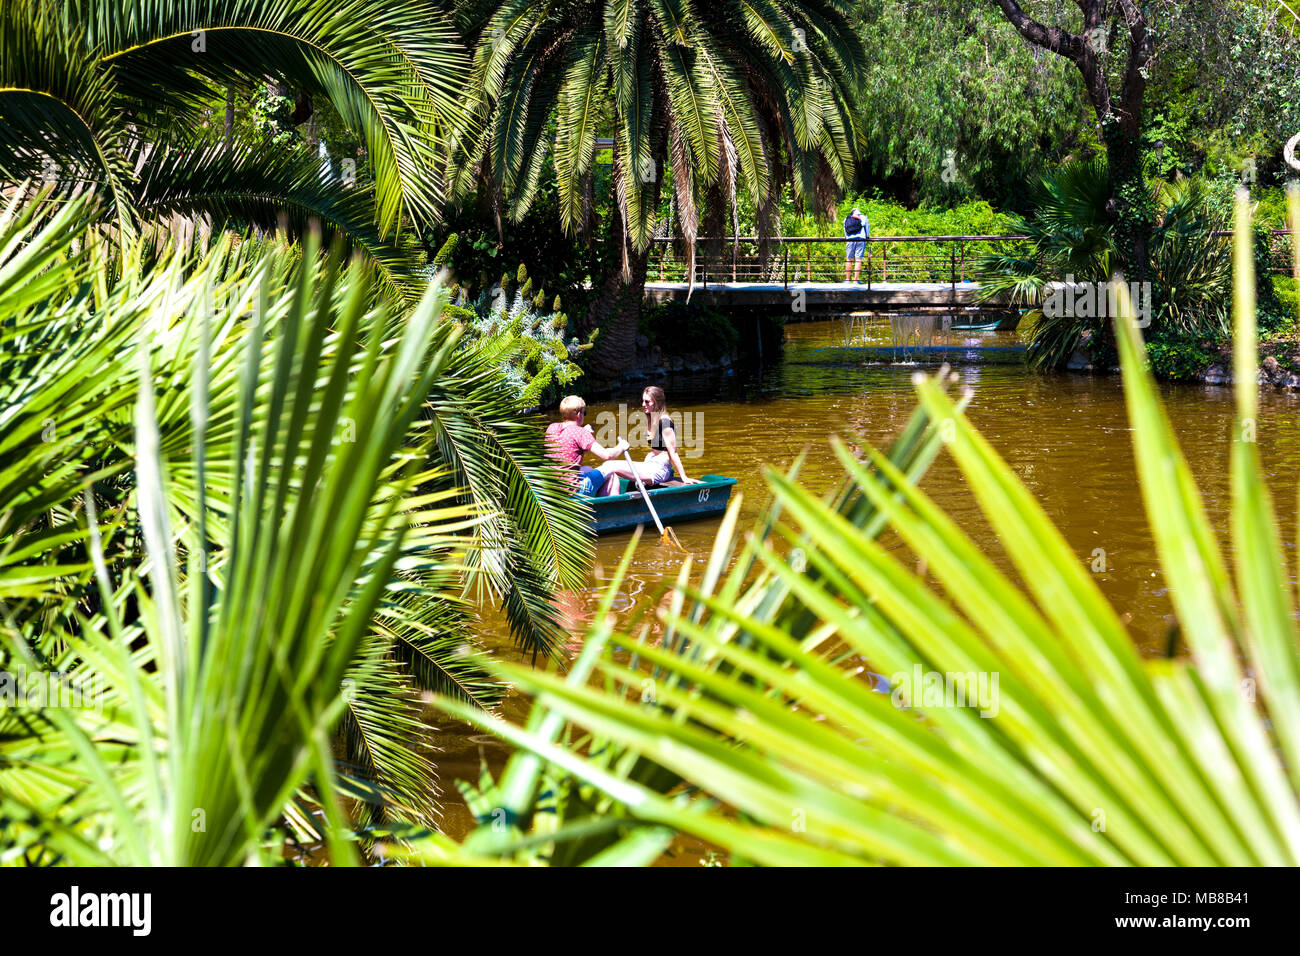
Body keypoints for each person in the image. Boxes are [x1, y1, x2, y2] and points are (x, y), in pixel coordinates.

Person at [596, 386, 702, 490]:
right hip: (650, 463)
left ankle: (585, 485)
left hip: (660, 468)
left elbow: (673, 451)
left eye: (647, 402)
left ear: (657, 403)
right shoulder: (651, 419)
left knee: (611, 465)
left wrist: (683, 477)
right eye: (643, 401)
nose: (643, 405)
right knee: (608, 466)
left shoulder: (664, 422)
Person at [545, 395, 627, 496]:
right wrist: (621, 447)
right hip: (572, 492)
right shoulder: (581, 433)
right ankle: (607, 508)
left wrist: (583, 431)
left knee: (588, 468)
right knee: (611, 472)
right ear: (579, 414)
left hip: (552, 490)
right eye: (585, 413)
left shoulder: (551, 428)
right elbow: (606, 456)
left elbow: (568, 437)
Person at [844, 207, 868, 282]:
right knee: (858, 259)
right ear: (859, 212)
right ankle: (855, 280)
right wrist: (866, 236)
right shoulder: (863, 217)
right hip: (861, 239)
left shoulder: (846, 218)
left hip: (850, 240)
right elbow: (867, 229)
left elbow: (845, 230)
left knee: (849, 259)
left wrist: (847, 238)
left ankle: (847, 280)